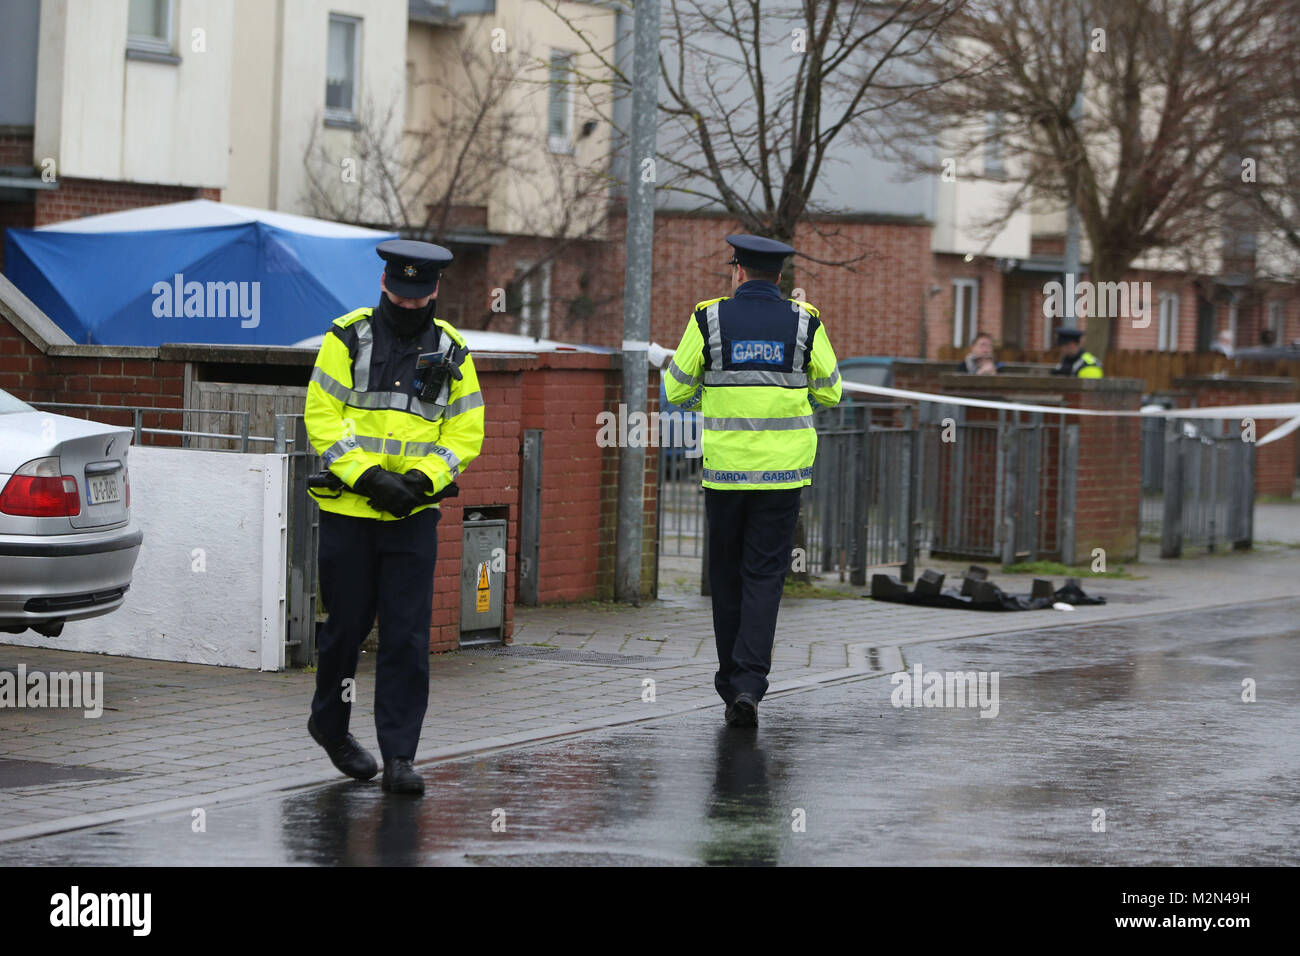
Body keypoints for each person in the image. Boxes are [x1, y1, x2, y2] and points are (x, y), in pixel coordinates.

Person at [304, 238, 485, 795]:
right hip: (350, 512)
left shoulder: (453, 350)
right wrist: (368, 477)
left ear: (434, 291)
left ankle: (401, 755)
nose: (408, 307)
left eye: (419, 298)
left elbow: (465, 430)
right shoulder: (346, 337)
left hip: (412, 516)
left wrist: (422, 481)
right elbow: (322, 416)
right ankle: (329, 725)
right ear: (385, 285)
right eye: (400, 296)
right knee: (345, 633)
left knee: (406, 638)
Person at [664, 234, 842, 728]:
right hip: (783, 475)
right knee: (764, 577)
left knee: (725, 577)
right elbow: (830, 392)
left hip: (726, 475)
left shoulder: (708, 318)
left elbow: (676, 386)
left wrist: (712, 400)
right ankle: (749, 684)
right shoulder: (807, 320)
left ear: (737, 271)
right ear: (779, 277)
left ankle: (730, 683)